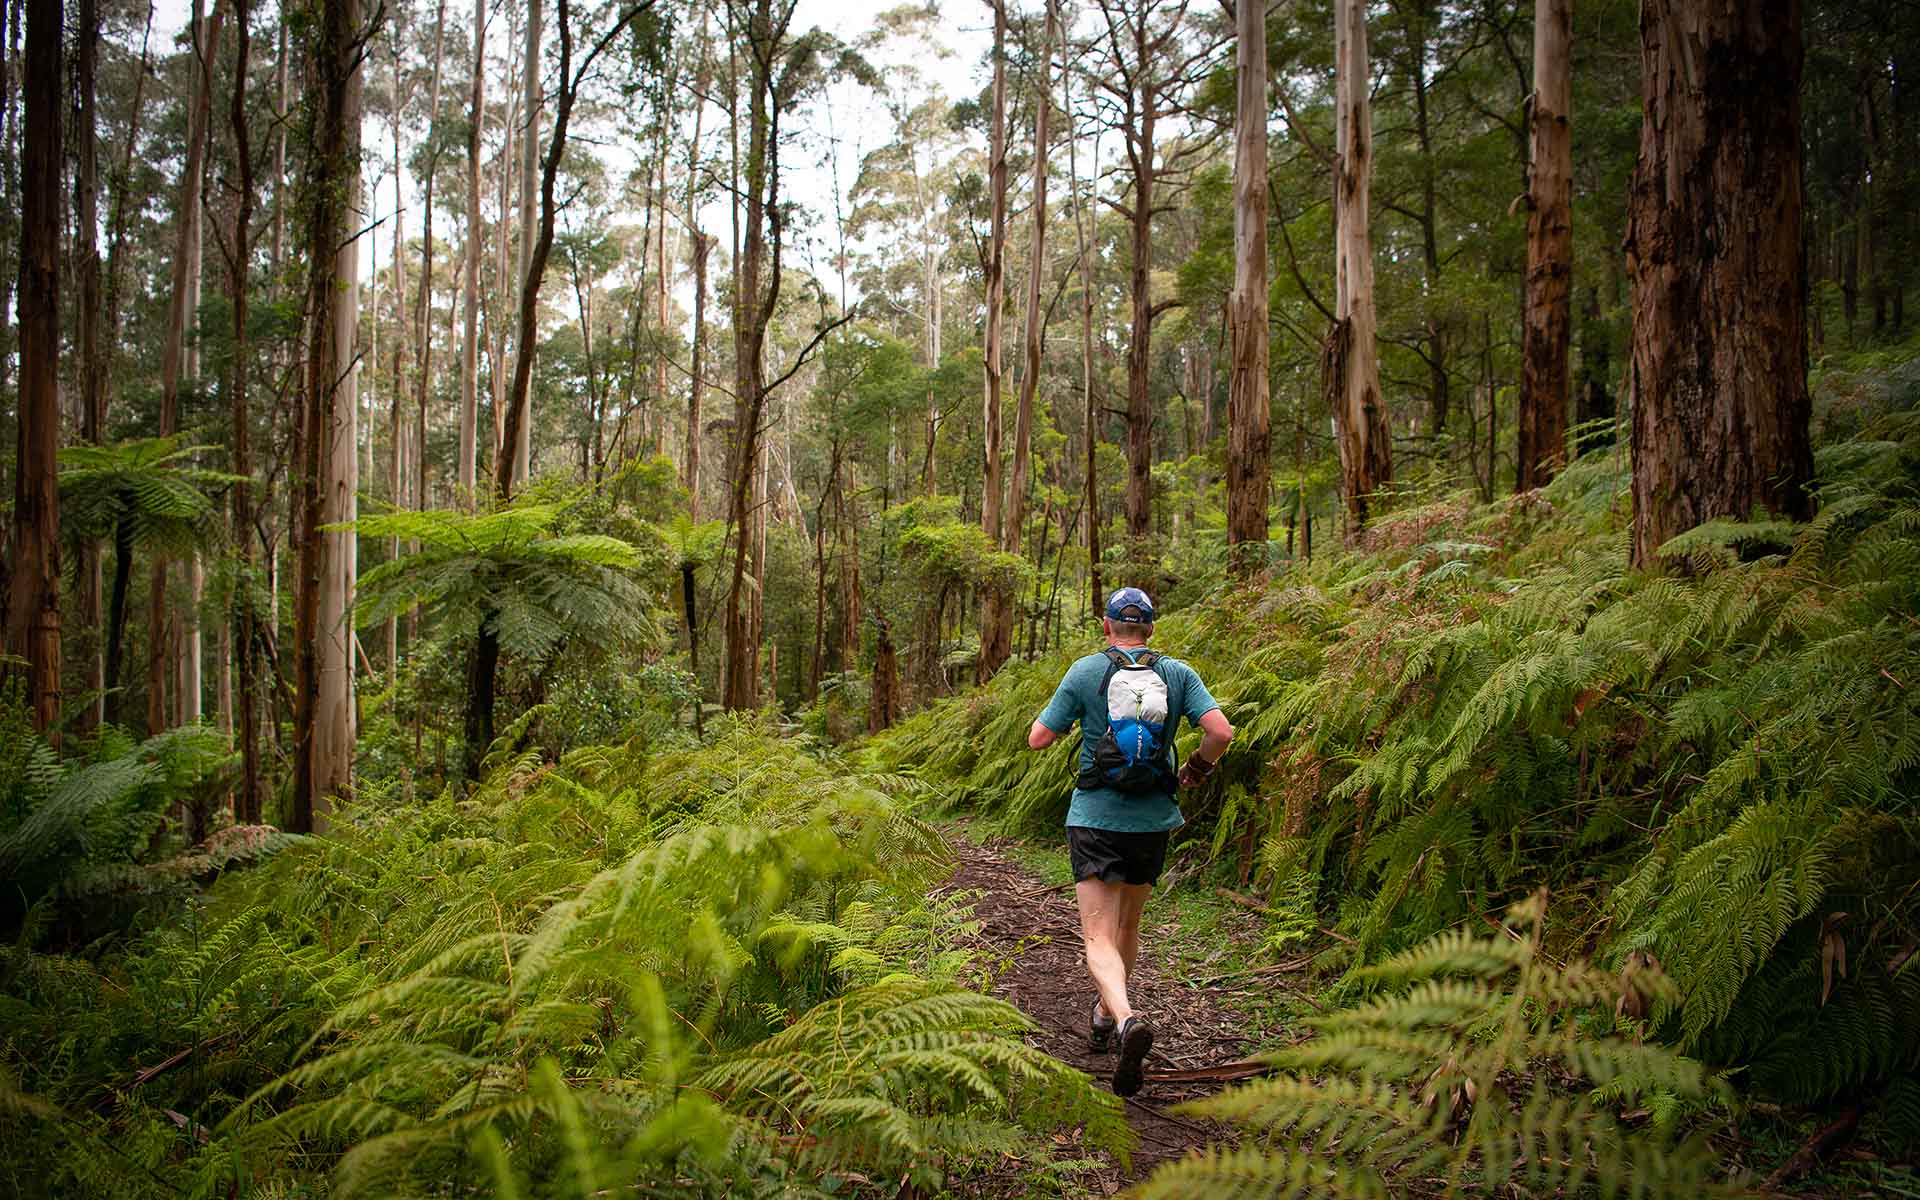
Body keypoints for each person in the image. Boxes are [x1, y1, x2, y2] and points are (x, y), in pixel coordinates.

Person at [1026, 587, 1234, 1097]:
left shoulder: (1085, 671)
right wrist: (1196, 768)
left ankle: (1122, 1018)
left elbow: (1038, 738)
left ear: (1107, 626)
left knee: (1097, 935)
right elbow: (1221, 732)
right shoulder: (1177, 674)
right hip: (1152, 820)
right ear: (1152, 630)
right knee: (1128, 925)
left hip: (1094, 817)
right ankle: (1103, 1013)